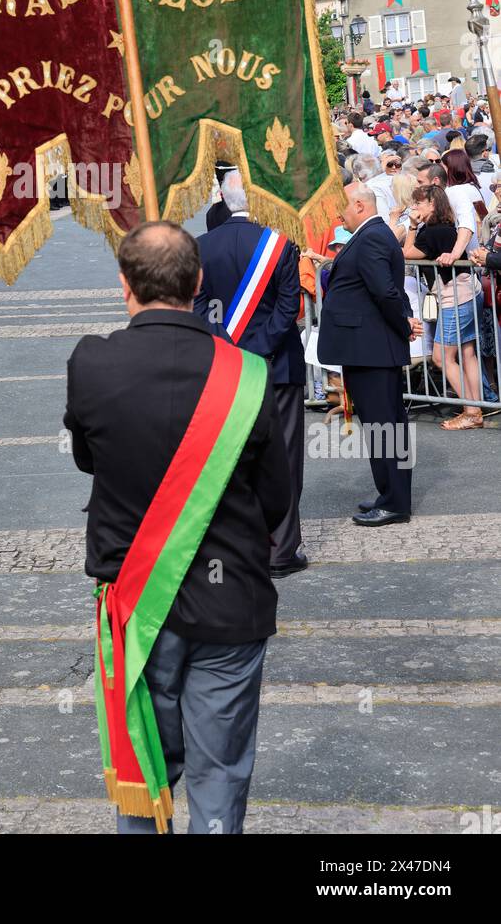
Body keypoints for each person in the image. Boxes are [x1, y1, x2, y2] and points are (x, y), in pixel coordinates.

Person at [64, 221, 290, 834]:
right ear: (198, 282)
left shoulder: (91, 361)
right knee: (220, 783)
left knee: (143, 778)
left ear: (123, 286)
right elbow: (276, 500)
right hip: (231, 599)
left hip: (138, 606)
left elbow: (89, 457)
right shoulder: (247, 374)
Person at [194, 169, 306, 577]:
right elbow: (289, 307)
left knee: (234, 459)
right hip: (277, 366)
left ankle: (241, 547)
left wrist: (232, 347)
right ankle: (281, 552)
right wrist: (260, 348)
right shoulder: (279, 245)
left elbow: (201, 308)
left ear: (223, 200)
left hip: (228, 368)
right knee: (286, 456)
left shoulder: (202, 246)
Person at [317, 182, 422, 526]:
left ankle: (395, 502)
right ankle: (389, 494)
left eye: (343, 207)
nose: (338, 214)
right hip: (366, 347)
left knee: (385, 426)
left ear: (360, 206)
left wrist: (404, 324)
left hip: (372, 348)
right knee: (381, 425)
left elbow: (385, 290)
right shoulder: (370, 234)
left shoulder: (372, 236)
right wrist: (404, 319)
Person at [404, 184, 483, 430]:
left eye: (418, 203)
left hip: (455, 297)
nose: (414, 207)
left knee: (441, 357)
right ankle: (477, 405)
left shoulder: (431, 231)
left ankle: (472, 412)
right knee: (467, 352)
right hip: (470, 290)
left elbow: (405, 252)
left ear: (432, 204)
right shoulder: (446, 227)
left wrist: (413, 225)